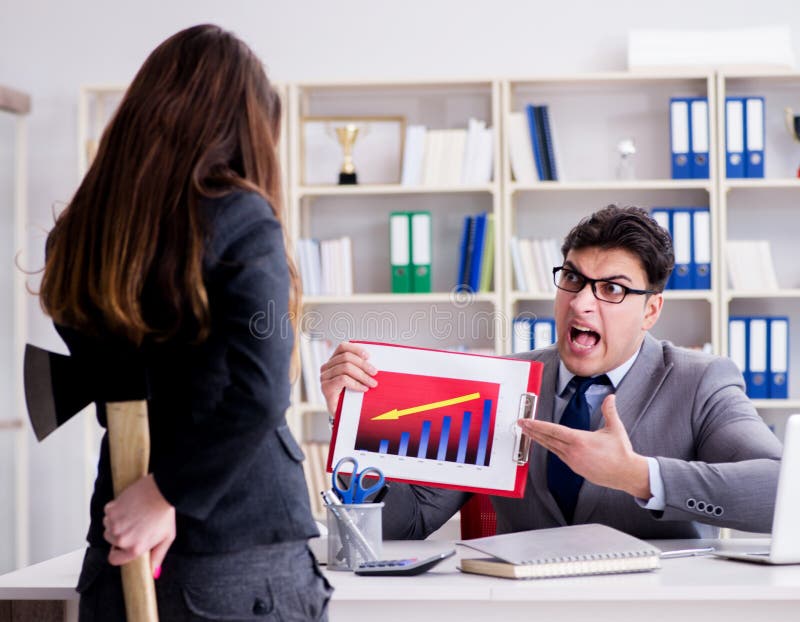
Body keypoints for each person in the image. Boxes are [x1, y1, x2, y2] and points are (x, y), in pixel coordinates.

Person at [40, 24, 331, 620]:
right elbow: (260, 393)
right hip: (236, 555)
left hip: (122, 545)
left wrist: (157, 496)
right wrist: (167, 494)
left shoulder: (78, 236)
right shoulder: (244, 216)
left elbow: (120, 387)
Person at [320, 205, 782, 540]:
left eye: (612, 289)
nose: (581, 302)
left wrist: (639, 475)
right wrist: (350, 425)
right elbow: (409, 523)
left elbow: (784, 494)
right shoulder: (501, 384)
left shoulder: (700, 381)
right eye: (574, 279)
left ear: (651, 310)